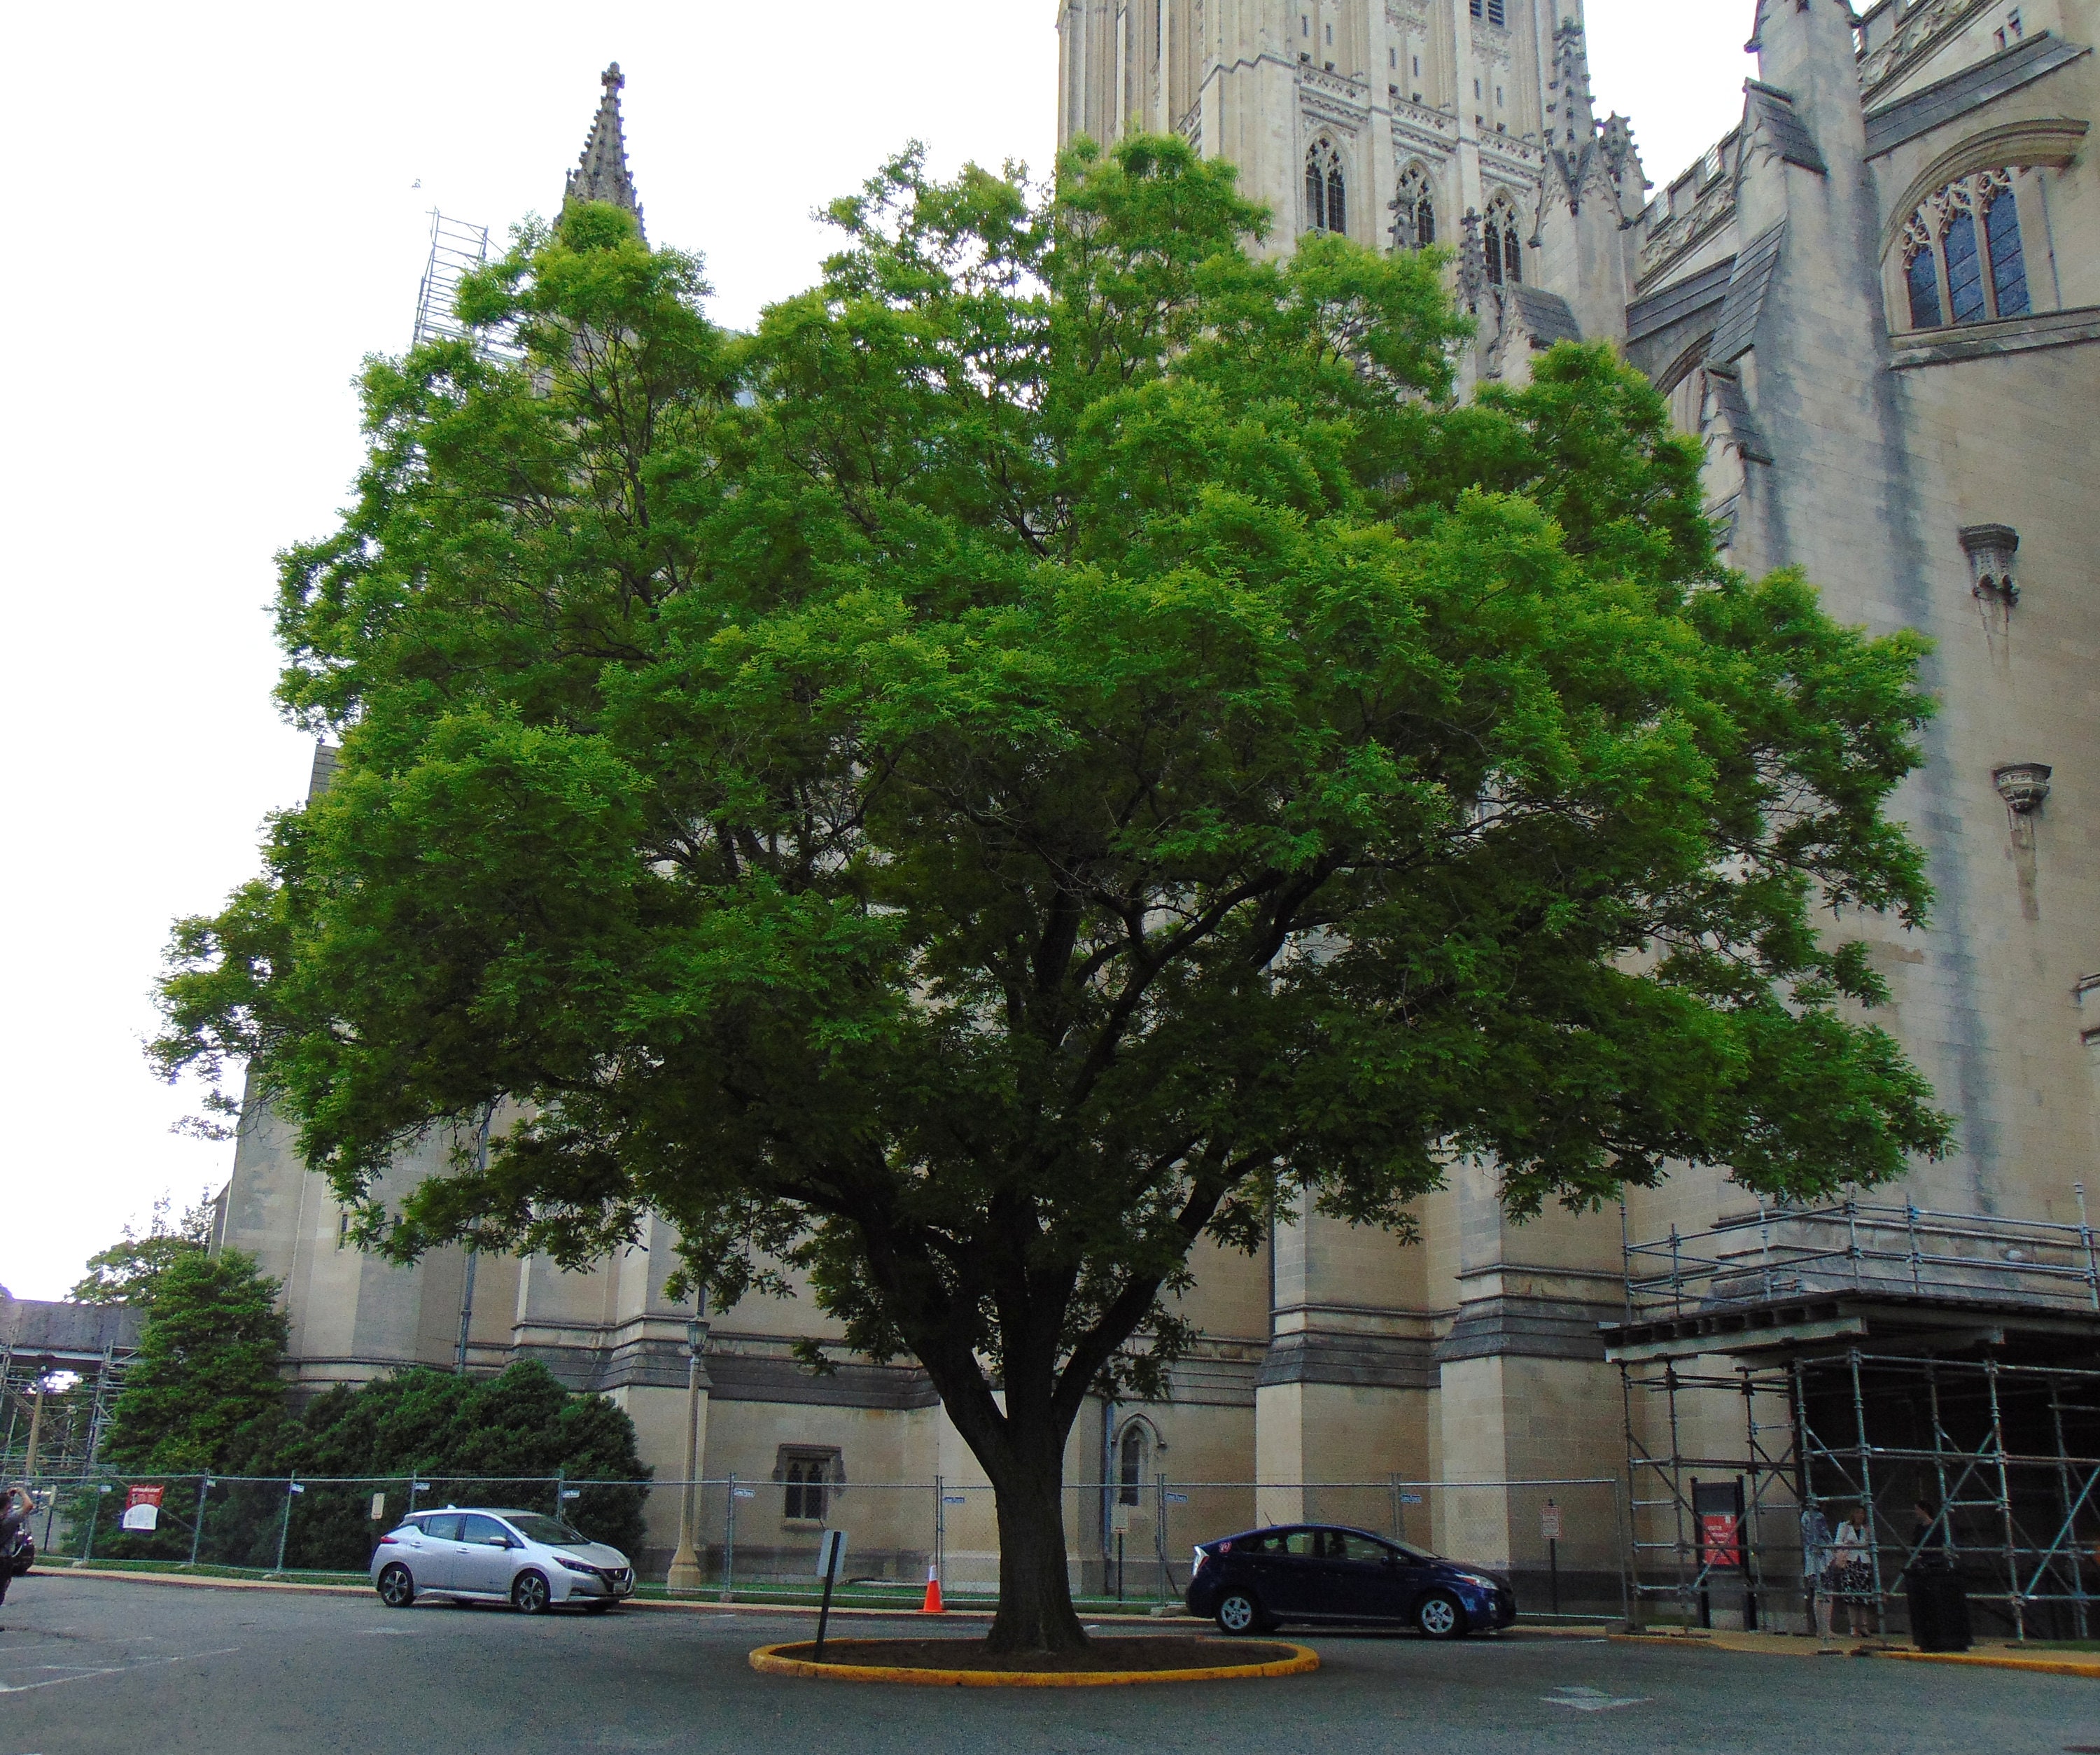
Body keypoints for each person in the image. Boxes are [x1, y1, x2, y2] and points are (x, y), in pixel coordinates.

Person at [1832, 1503, 1875, 1639]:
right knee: (1851, 1596)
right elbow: (1837, 1542)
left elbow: (1872, 1544)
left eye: (1862, 1514)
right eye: (1857, 1513)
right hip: (1850, 1562)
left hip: (1864, 1562)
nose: (1860, 1516)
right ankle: (1853, 1627)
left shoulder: (1867, 1528)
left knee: (1863, 1596)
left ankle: (1864, 1625)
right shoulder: (1844, 1527)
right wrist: (1848, 1544)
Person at [1801, 1502, 1837, 1644]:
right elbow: (1825, 1536)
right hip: (1822, 1559)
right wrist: (1834, 1551)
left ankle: (1820, 1628)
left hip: (1810, 1558)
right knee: (1827, 1593)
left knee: (1818, 1593)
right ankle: (1826, 1628)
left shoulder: (1804, 1517)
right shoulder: (1818, 1517)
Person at [0, 1487, 29, 1628]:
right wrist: (21, 1492)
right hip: (3, 1559)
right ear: (7, 1506)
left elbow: (4, 1506)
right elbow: (29, 1506)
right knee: (1, 1588)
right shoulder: (9, 1520)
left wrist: (8, 1497)